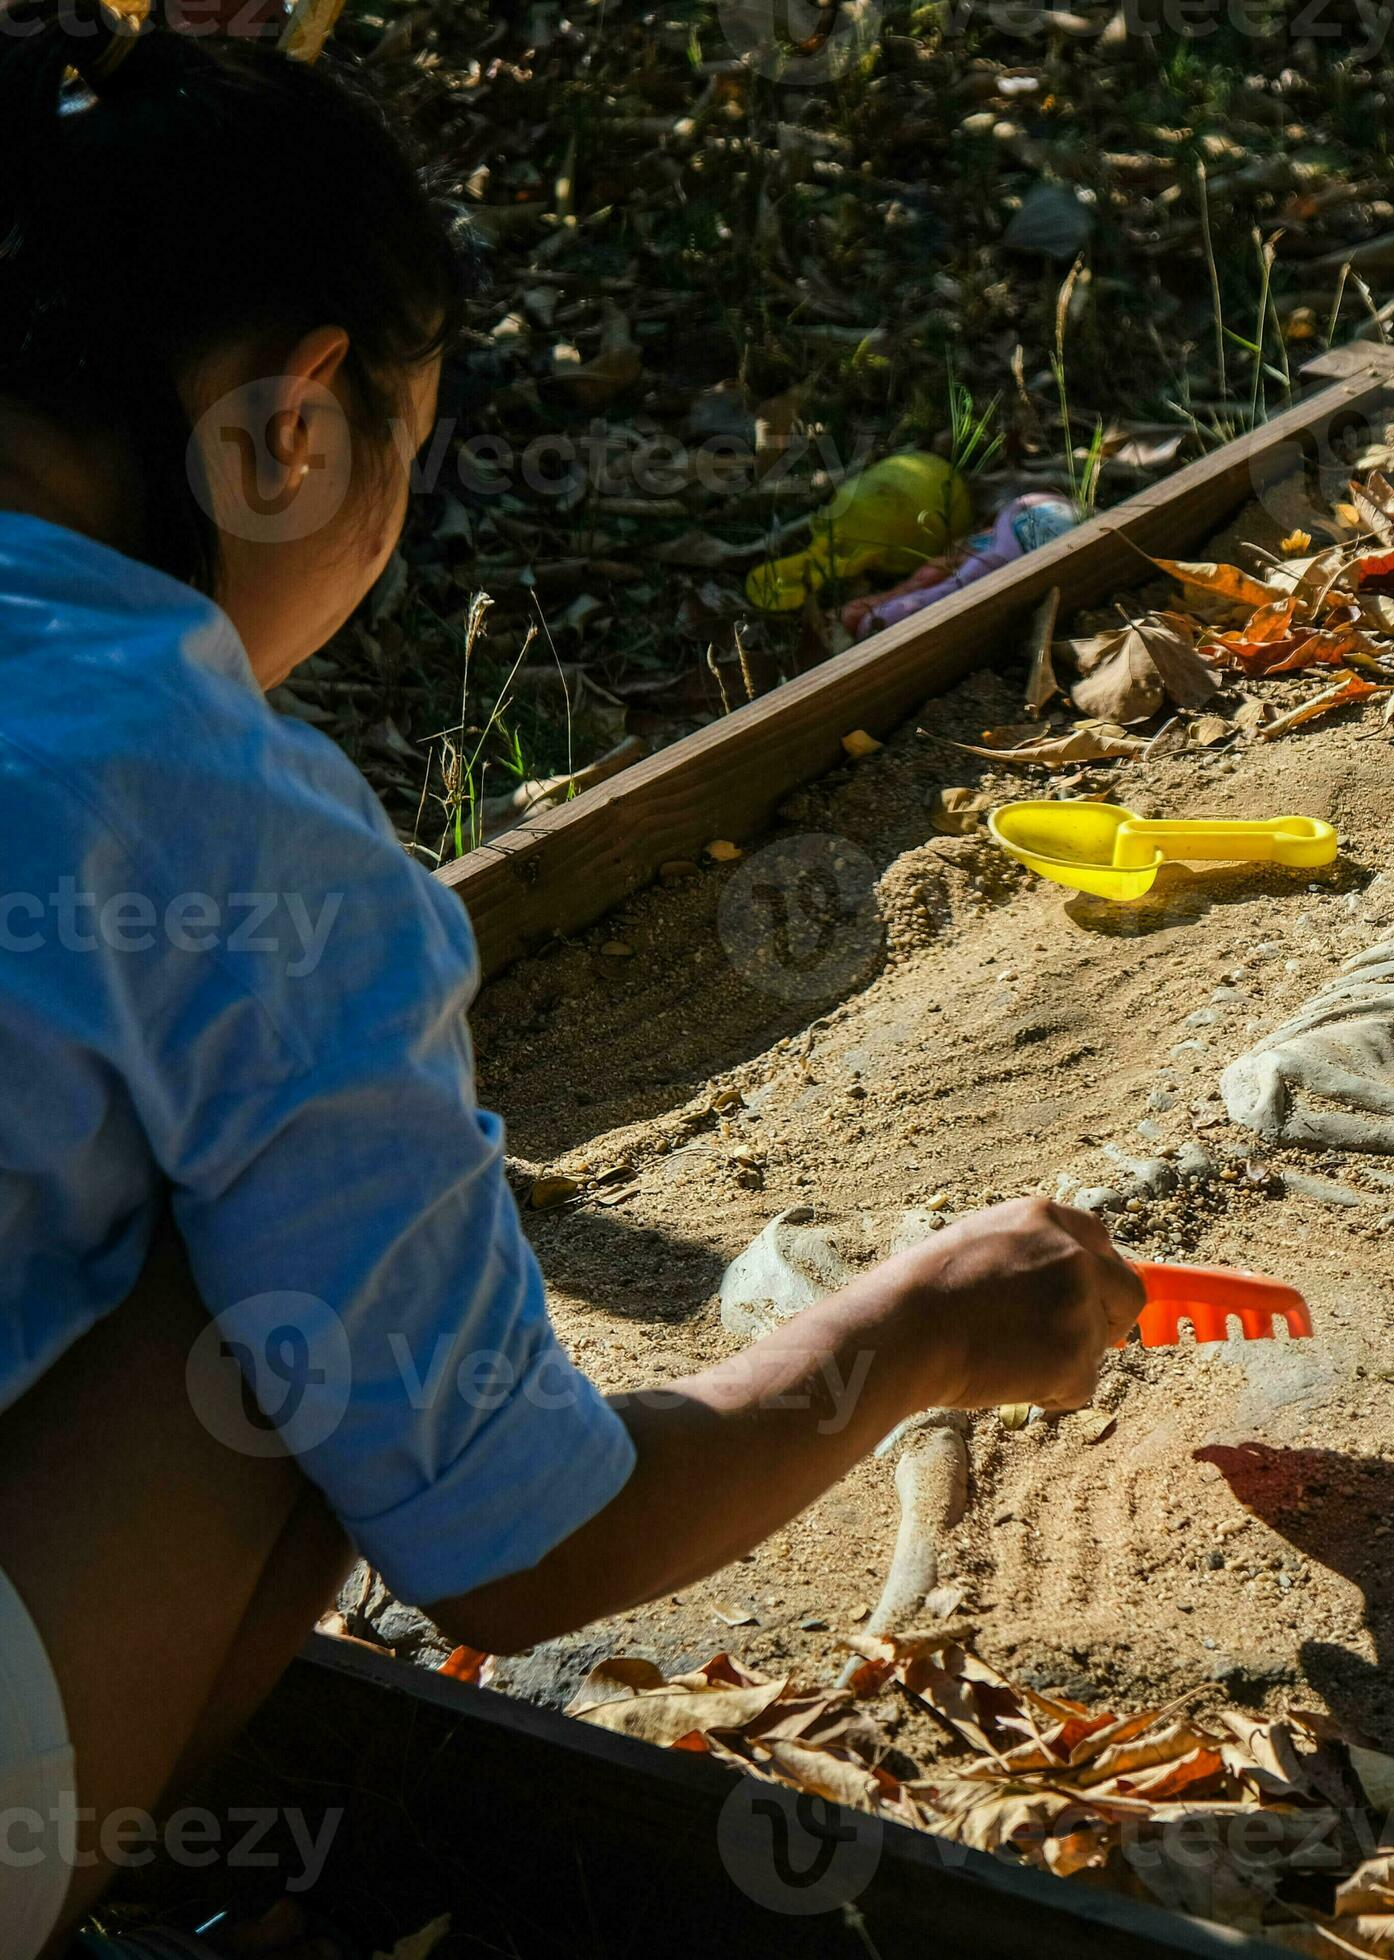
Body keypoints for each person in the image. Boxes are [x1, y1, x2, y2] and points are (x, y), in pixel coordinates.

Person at [0, 13, 1141, 1953]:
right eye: (399, 460)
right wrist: (917, 1328)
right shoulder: (224, 811)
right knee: (284, 1318)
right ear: (293, 425)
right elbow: (520, 1549)